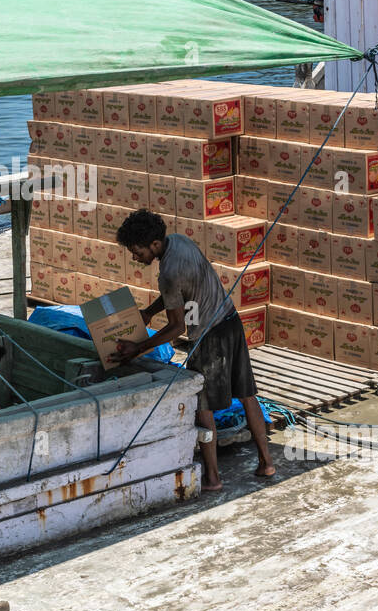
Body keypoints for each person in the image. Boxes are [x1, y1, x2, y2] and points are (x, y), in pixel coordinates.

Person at [112, 208, 274, 490]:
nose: (134, 257)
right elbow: (180, 293)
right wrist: (150, 312)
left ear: (154, 245)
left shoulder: (168, 273)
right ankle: (267, 463)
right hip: (231, 322)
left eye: (136, 251)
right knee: (248, 395)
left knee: (203, 407)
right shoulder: (180, 242)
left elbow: (177, 328)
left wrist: (138, 348)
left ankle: (212, 478)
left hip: (209, 336)